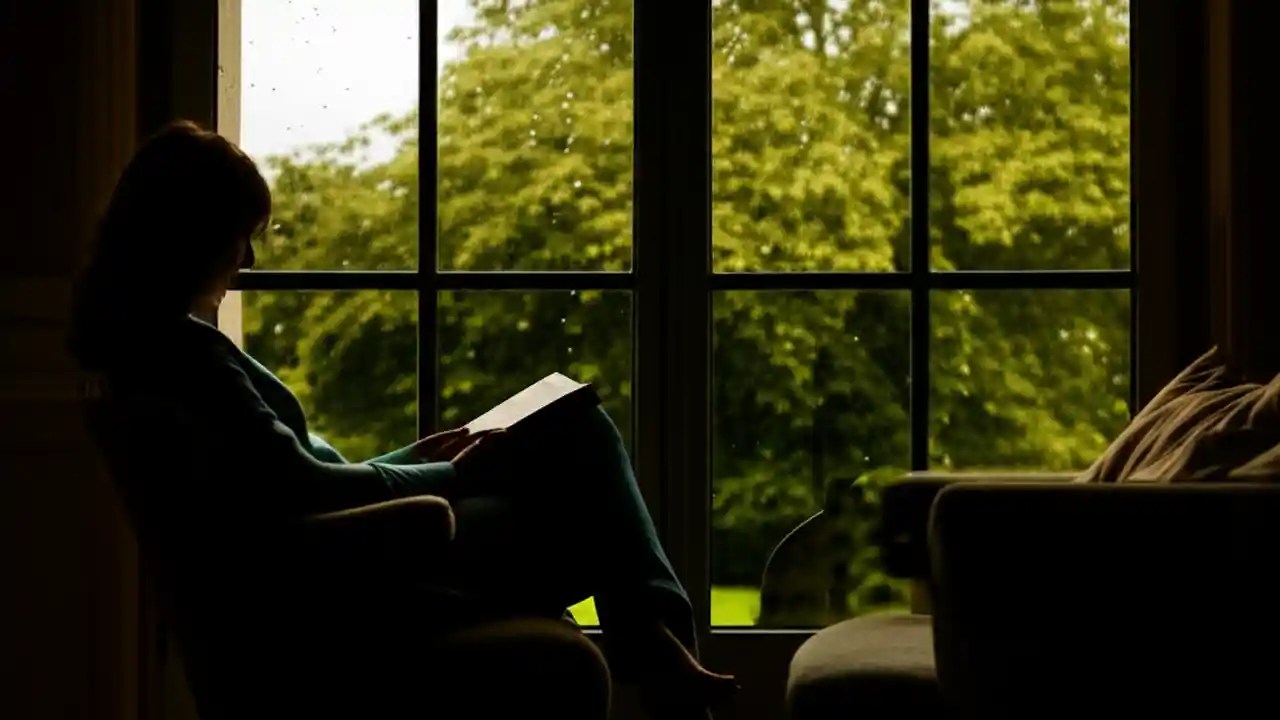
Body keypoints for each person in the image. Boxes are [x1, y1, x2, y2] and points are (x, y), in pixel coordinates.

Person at [69, 120, 734, 717]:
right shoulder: (188, 354)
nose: (247, 260)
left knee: (577, 434)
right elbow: (306, 487)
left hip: (345, 565)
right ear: (193, 236)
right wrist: (447, 474)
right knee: (584, 472)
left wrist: (418, 459)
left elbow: (290, 482)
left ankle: (650, 639)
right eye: (239, 236)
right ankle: (654, 642)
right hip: (362, 580)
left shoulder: (146, 352)